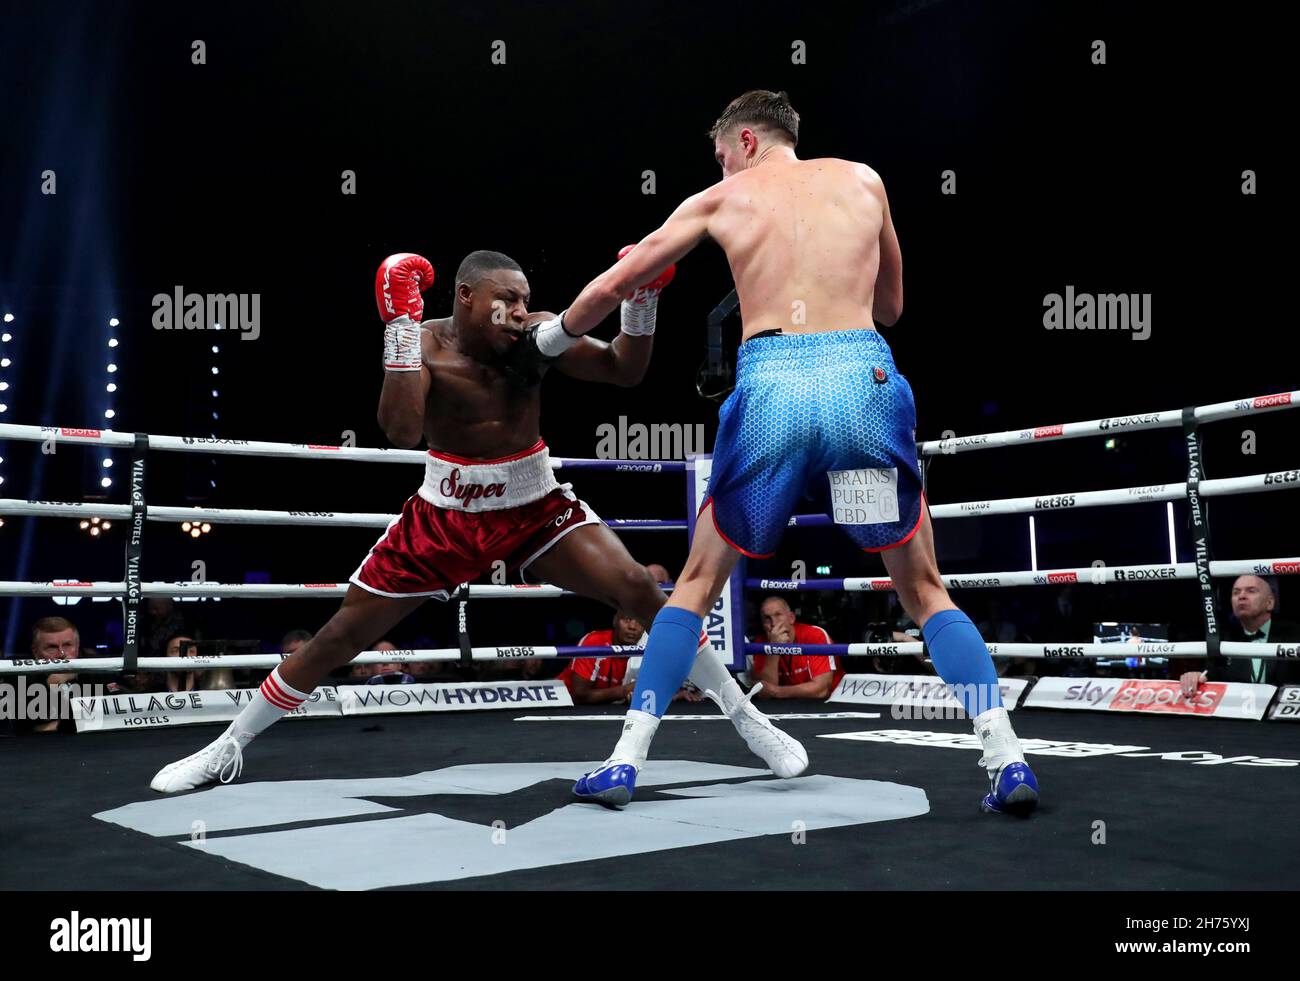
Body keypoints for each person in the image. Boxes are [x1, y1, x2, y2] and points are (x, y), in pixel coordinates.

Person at [538, 90, 1036, 813]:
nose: (718, 170)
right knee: (924, 587)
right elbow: (893, 307)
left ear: (744, 141)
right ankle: (1007, 757)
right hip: (861, 380)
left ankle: (623, 762)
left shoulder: (723, 198)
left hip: (772, 383)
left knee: (697, 581)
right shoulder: (865, 179)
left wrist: (549, 343)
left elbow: (621, 281)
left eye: (718, 157)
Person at [151, 249, 800, 792]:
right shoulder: (427, 345)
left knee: (640, 588)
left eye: (525, 299)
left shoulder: (536, 338)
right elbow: (401, 429)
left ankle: (749, 721)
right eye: (506, 299)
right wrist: (400, 329)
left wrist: (642, 302)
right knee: (338, 636)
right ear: (464, 296)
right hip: (445, 514)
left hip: (535, 505)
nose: (520, 312)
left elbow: (624, 371)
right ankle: (225, 748)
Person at [1180, 575, 1300, 692]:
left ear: (1269, 602)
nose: (1241, 596)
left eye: (1251, 591)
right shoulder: (1223, 640)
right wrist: (1195, 677)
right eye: (1236, 592)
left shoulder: (1295, 634)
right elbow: (1210, 673)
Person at [749, 596, 841, 700]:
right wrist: (773, 649)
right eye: (767, 618)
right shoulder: (760, 642)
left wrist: (777, 691)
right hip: (787, 705)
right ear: (762, 624)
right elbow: (765, 692)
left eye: (778, 615)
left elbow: (821, 690)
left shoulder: (815, 635)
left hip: (831, 701)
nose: (773, 623)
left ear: (791, 618)